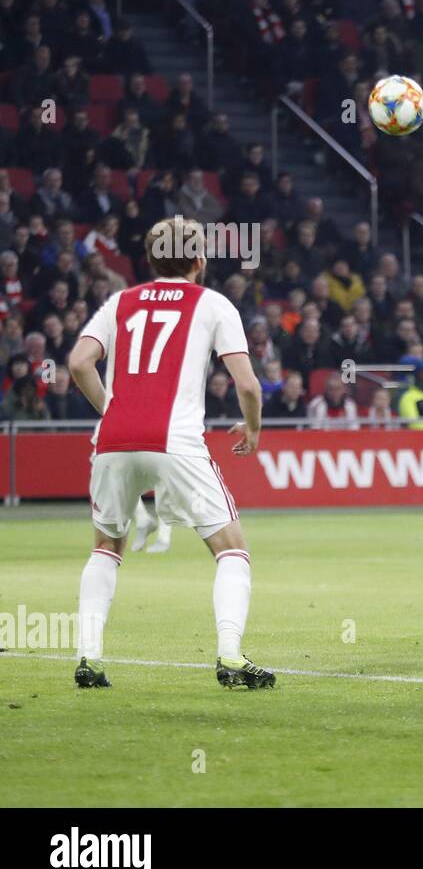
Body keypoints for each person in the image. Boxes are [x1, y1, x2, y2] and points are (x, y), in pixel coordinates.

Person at [66, 216, 274, 690]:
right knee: (231, 549)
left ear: (150, 260)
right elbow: (247, 384)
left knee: (105, 546)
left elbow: (79, 362)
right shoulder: (213, 304)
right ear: (199, 261)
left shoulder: (120, 302)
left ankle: (88, 657)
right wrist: (254, 429)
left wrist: (111, 408)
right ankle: (230, 657)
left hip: (114, 440)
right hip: (175, 441)